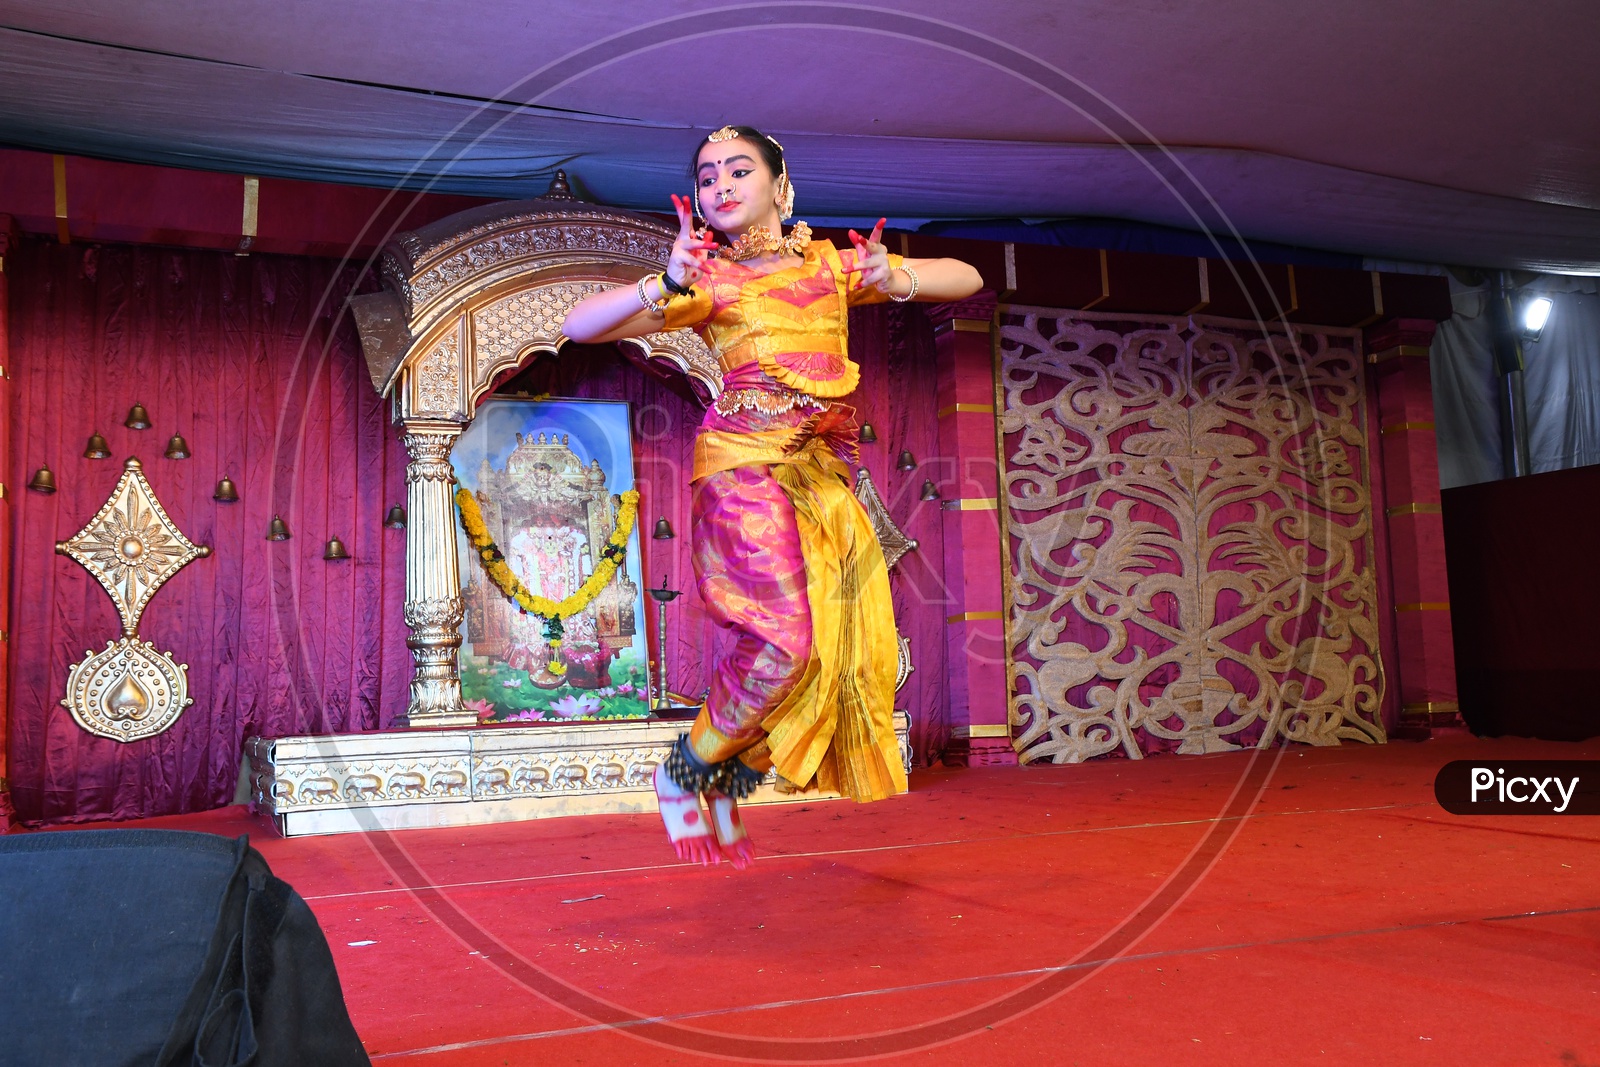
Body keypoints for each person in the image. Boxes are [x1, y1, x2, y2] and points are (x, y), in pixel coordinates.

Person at [562, 125, 982, 868]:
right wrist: (664, 280)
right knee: (787, 638)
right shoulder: (710, 279)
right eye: (706, 176)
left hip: (818, 472)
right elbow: (580, 324)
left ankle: (728, 773)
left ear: (783, 188)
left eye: (738, 170)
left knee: (826, 648)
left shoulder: (829, 265)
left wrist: (894, 275)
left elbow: (969, 277)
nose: (718, 185)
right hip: (740, 465)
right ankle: (683, 771)